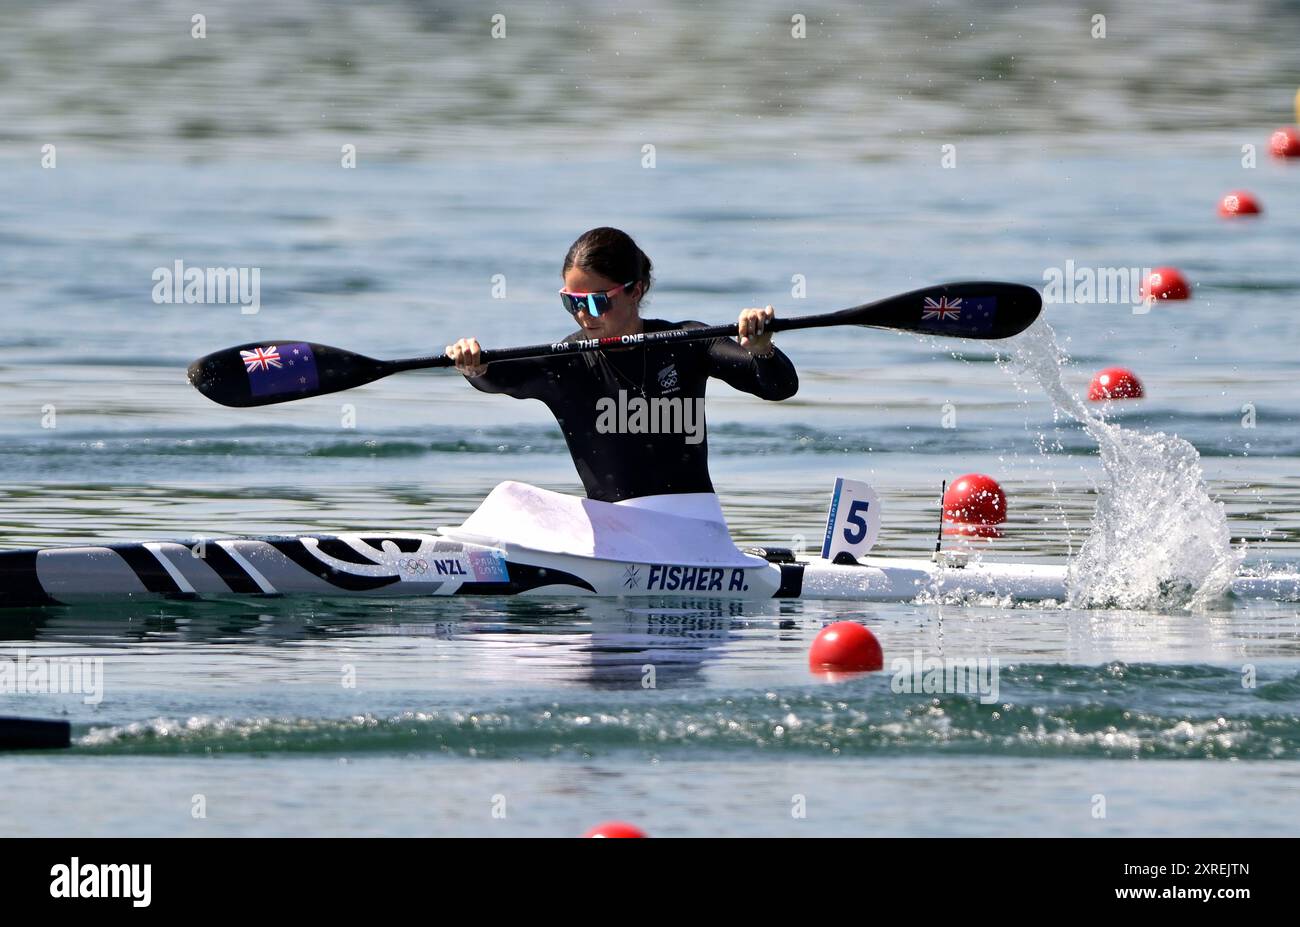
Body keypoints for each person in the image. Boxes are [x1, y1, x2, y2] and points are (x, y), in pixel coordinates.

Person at [445, 227, 798, 505]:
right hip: (613, 534)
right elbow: (500, 378)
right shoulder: (567, 360)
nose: (584, 315)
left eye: (598, 302)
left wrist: (762, 349)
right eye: (573, 303)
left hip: (693, 527)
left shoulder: (686, 342)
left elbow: (778, 387)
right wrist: (475, 367)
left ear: (636, 291)